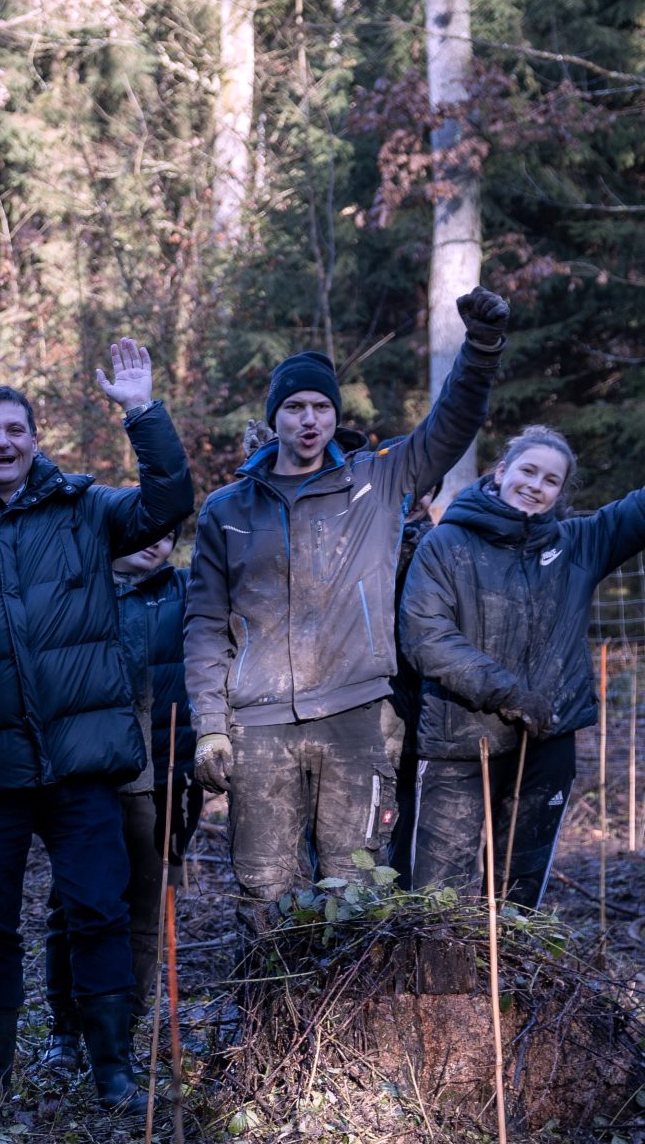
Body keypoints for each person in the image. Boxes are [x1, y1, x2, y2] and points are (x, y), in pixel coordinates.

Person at [0, 339, 193, 1109]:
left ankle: (111, 1064)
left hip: (79, 758)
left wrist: (141, 412)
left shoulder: (85, 510)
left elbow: (167, 504)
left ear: (34, 436)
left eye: (13, 429)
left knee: (97, 911)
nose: (1, 443)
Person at [185, 288, 512, 926]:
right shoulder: (228, 509)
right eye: (296, 408)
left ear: (335, 417)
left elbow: (451, 426)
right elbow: (203, 626)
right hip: (258, 725)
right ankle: (270, 1023)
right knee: (263, 887)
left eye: (321, 408)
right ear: (274, 418)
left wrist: (480, 349)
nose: (310, 420)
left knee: (356, 884)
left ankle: (347, 1025)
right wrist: (210, 726)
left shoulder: (378, 478)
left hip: (359, 715)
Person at [400, 427, 645, 904]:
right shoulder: (447, 543)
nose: (536, 485)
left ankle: (505, 977)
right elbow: (427, 637)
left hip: (546, 742)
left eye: (551, 480)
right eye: (528, 471)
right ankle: (429, 979)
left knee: (518, 892)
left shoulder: (580, 544)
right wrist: (508, 693)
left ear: (560, 492)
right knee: (435, 895)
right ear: (501, 471)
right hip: (461, 739)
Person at [43, 520, 199, 1067]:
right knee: (74, 903)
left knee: (147, 904)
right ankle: (64, 1029)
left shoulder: (185, 589)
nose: (158, 542)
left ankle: (122, 1030)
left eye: (169, 533)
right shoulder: (78, 589)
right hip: (91, 771)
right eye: (146, 530)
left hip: (167, 773)